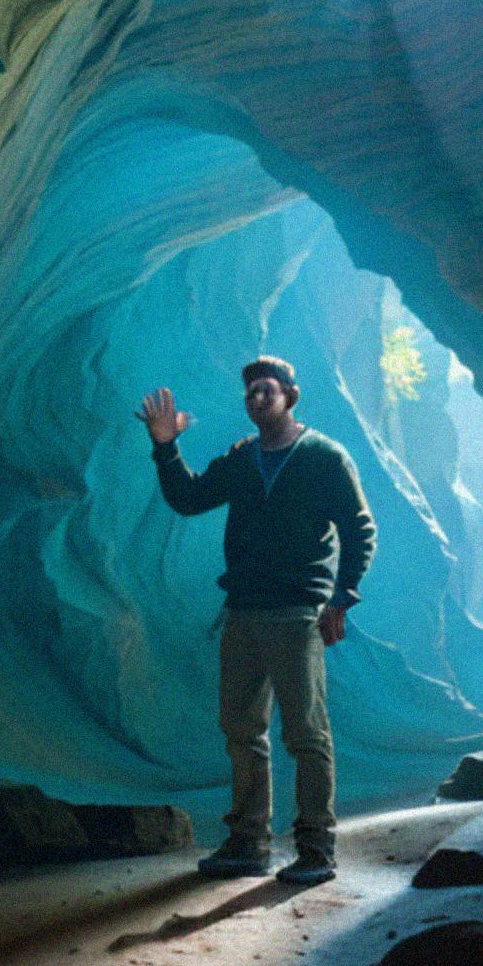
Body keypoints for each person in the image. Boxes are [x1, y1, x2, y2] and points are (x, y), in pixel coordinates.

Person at [139, 354, 377, 886]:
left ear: (290, 394)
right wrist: (164, 445)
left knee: (306, 734)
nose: (256, 399)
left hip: (298, 614)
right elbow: (190, 497)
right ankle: (249, 844)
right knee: (242, 731)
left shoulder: (323, 457)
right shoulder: (242, 460)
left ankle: (317, 850)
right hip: (244, 612)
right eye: (249, 394)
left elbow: (359, 529)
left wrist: (341, 599)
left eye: (266, 390)